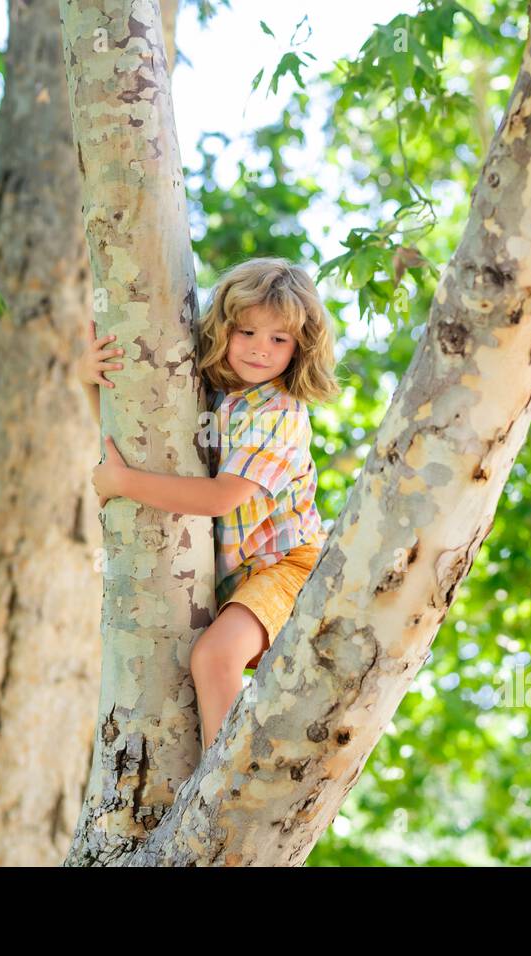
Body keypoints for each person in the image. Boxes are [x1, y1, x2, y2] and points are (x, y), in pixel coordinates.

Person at [77, 257, 339, 751]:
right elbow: (131, 446)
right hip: (233, 578)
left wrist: (124, 483)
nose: (261, 350)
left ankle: (218, 784)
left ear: (299, 348)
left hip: (288, 568)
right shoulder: (217, 394)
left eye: (279, 340)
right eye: (247, 332)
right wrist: (89, 381)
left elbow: (222, 499)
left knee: (214, 658)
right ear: (223, 328)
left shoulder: (278, 411)